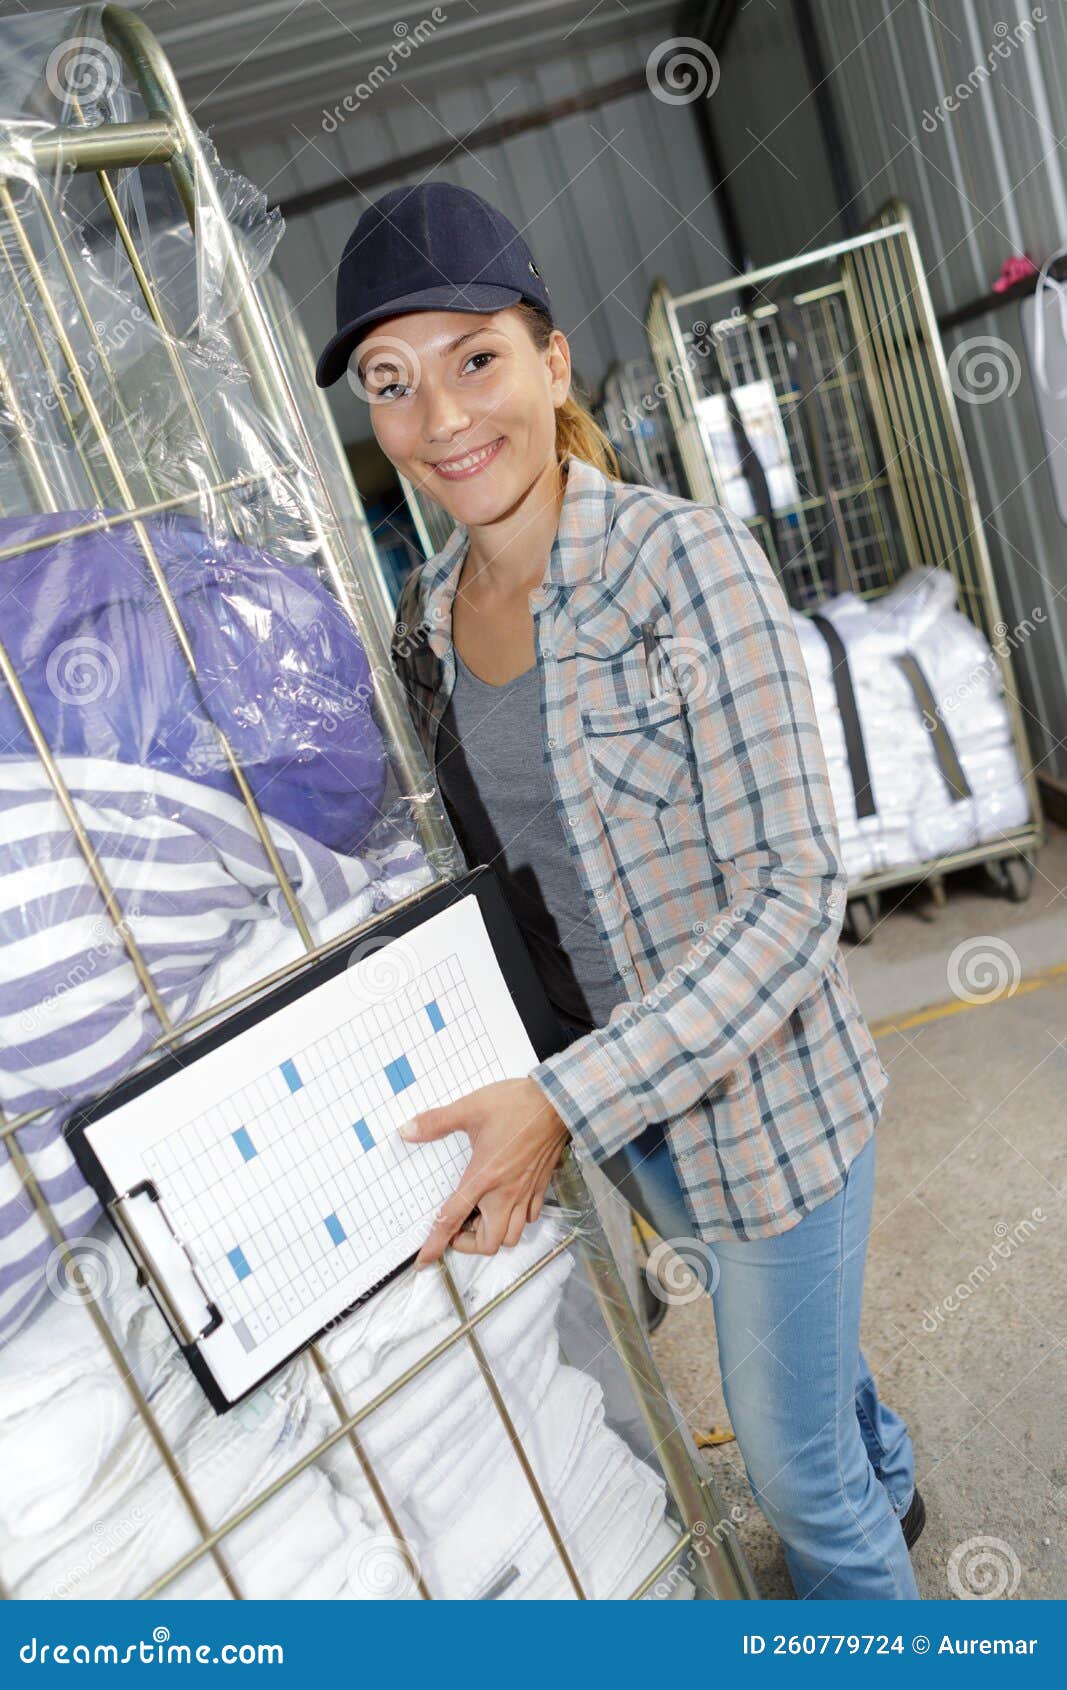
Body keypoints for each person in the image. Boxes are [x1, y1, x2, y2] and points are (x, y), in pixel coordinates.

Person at [315, 181, 924, 1600]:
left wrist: (561, 1102)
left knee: (795, 1478)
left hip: (769, 1109)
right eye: (392, 384)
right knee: (803, 1352)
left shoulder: (681, 567)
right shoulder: (423, 627)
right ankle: (889, 1470)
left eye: (475, 359)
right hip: (628, 1120)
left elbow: (792, 895)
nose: (440, 418)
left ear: (552, 361)